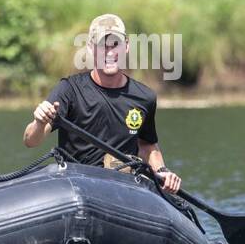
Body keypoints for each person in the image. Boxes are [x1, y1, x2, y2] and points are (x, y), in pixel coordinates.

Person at [24, 13, 182, 193]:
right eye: (102, 46)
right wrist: (39, 122)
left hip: (123, 190)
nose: (110, 52)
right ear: (91, 48)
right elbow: (30, 140)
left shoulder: (145, 97)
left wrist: (162, 171)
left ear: (127, 46)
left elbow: (147, 144)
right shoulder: (69, 89)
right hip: (77, 187)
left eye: (115, 44)